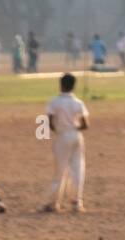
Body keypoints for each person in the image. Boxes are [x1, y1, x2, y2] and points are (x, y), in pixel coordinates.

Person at [41, 72, 89, 214]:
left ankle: (54, 202)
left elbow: (48, 122)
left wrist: (58, 130)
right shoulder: (78, 102)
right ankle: (77, 202)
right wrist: (74, 127)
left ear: (61, 85)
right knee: (78, 168)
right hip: (77, 135)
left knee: (60, 171)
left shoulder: (54, 101)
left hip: (62, 136)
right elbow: (85, 125)